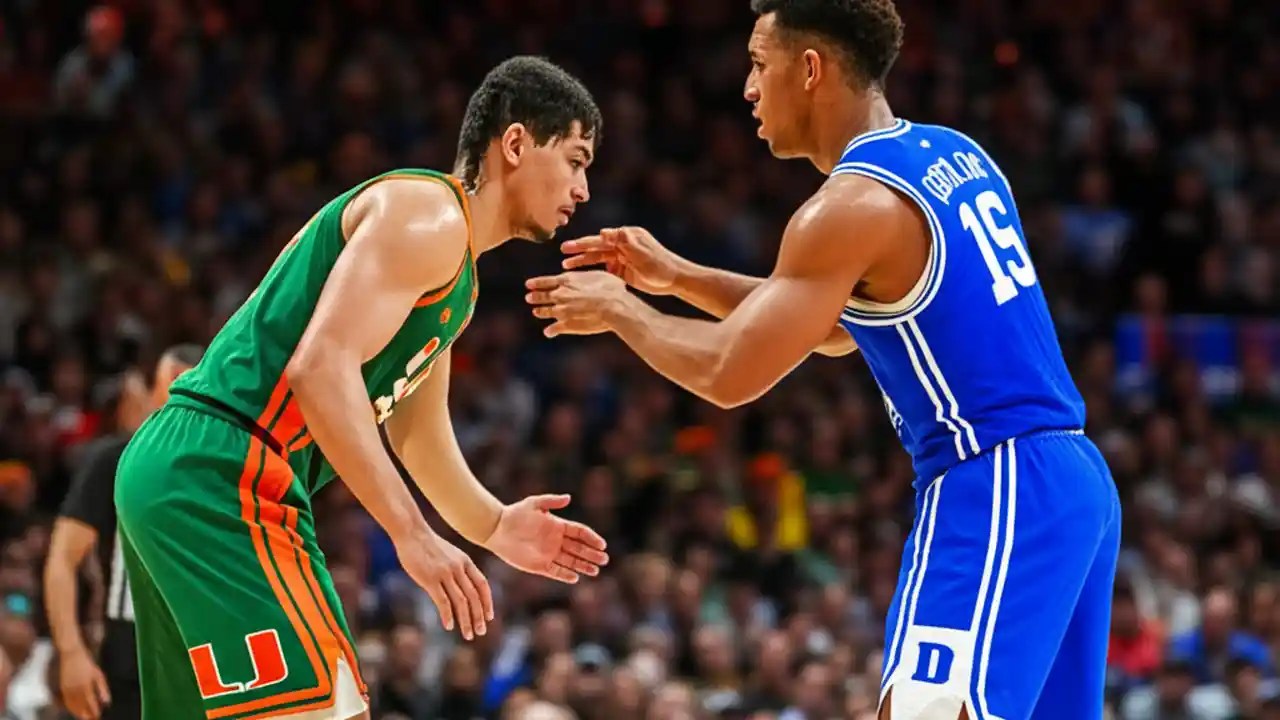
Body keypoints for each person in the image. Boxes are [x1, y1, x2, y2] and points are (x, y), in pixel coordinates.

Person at [525, 1, 1121, 718]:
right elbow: (837, 326)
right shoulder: (954, 153)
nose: (748, 88)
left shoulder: (848, 207)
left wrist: (620, 310)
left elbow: (729, 373)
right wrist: (677, 277)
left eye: (759, 64)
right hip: (1072, 480)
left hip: (996, 480)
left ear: (810, 69)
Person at [113, 56, 609, 720]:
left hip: (190, 469)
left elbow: (416, 432)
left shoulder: (457, 277)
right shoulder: (428, 216)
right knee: (332, 708)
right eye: (575, 160)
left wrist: (491, 524)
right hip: (224, 469)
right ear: (516, 143)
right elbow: (319, 369)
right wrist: (411, 535)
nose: (583, 189)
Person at [44, 345, 204, 720]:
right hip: (129, 653)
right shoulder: (114, 460)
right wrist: (71, 652)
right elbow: (62, 559)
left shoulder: (226, 466)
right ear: (151, 391)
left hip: (206, 648)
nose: (180, 393)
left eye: (190, 382)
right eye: (172, 381)